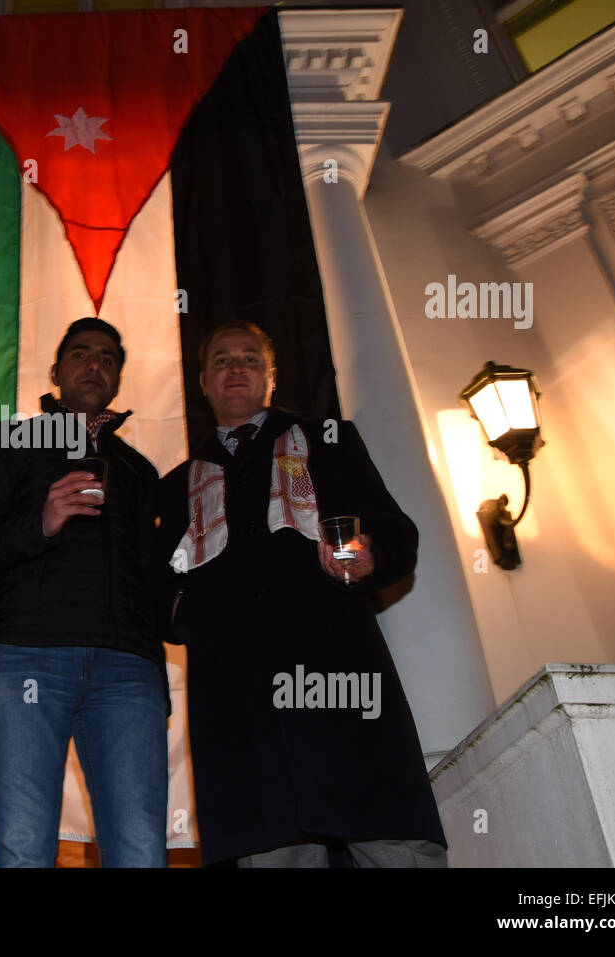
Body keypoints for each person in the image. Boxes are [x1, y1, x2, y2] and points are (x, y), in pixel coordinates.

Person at [153, 321, 447, 867]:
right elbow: (155, 589)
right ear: (202, 381)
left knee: (392, 840)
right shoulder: (176, 484)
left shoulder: (328, 440)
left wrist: (370, 555)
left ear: (271, 376)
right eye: (222, 360)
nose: (235, 368)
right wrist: (188, 615)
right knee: (273, 849)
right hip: (237, 697)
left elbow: (395, 530)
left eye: (249, 359)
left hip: (339, 673)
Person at [0, 317, 168, 867]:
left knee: (142, 849)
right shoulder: (7, 438)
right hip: (29, 654)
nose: (94, 364)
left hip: (130, 667)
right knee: (24, 845)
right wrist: (42, 521)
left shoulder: (140, 470)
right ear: (55, 371)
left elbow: (159, 576)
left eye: (107, 357)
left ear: (119, 378)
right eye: (80, 353)